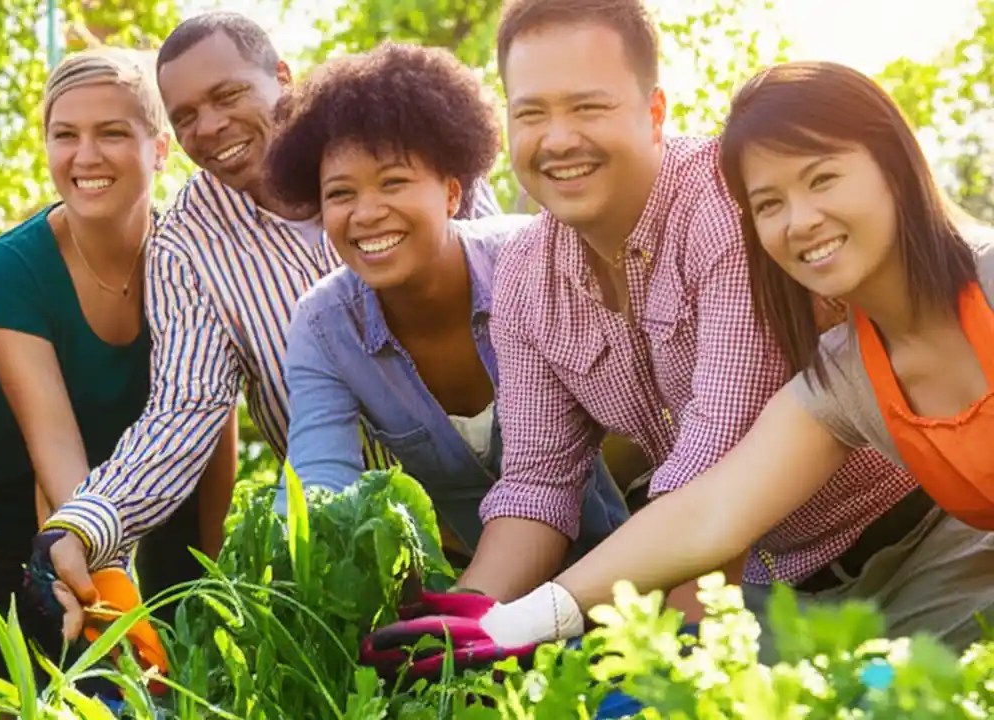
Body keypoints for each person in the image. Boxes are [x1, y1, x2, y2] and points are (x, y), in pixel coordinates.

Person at [356, 0, 949, 676]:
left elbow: (711, 461)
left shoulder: (724, 204)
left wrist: (650, 654)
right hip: (771, 594)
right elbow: (537, 484)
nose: (557, 140)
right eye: (532, 114)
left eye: (588, 107)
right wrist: (470, 616)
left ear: (655, 112)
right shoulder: (524, 281)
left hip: (919, 545)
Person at [30, 12, 506, 623]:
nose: (210, 127)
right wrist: (86, 524)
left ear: (281, 76)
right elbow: (184, 411)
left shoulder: (401, 138)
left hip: (513, 496)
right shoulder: (188, 245)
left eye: (227, 95)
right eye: (185, 117)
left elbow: (499, 292)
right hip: (358, 551)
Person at [0, 48, 236, 718]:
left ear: (161, 148)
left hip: (95, 523)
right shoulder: (14, 264)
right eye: (66, 134)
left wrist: (201, 580)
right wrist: (105, 583)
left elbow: (208, 425)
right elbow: (51, 445)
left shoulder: (194, 261)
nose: (86, 155)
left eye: (113, 132)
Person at [269, 42, 628, 563]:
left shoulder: (530, 259)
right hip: (486, 589)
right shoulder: (326, 327)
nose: (366, 213)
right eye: (341, 195)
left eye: (394, 182)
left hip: (631, 553)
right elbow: (319, 476)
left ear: (452, 194)